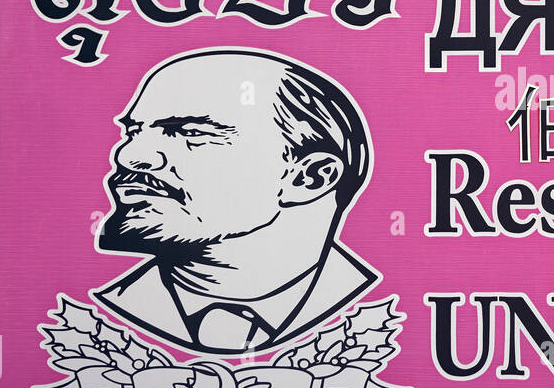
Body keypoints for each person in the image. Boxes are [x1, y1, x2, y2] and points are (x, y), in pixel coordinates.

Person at [91, 47, 378, 356]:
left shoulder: (370, 312)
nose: (128, 156)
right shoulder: (106, 315)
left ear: (310, 177)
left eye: (189, 133)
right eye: (134, 131)